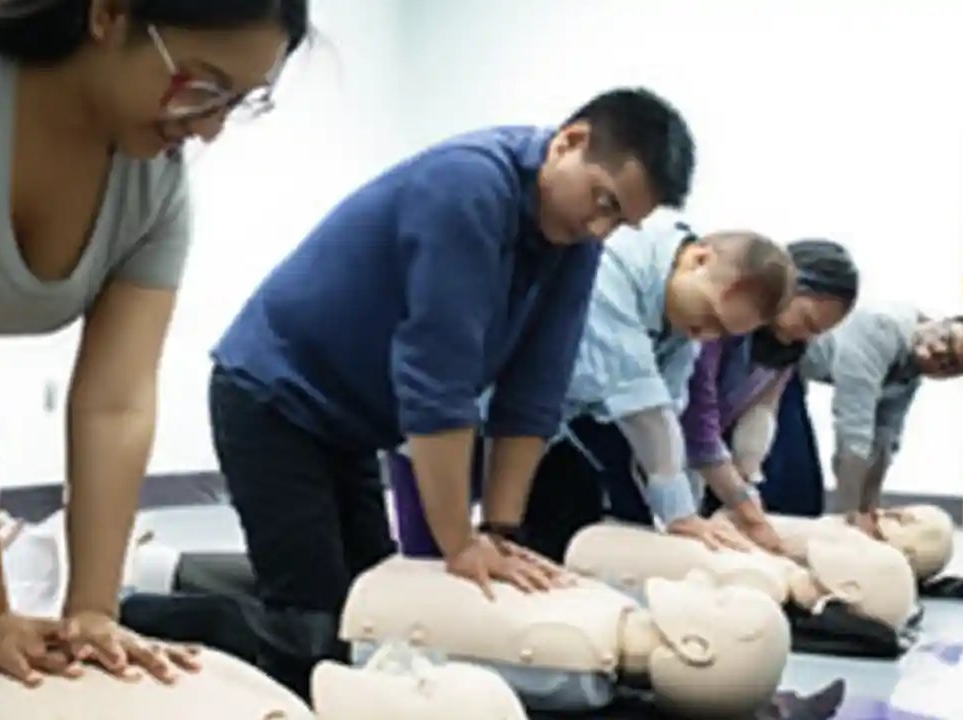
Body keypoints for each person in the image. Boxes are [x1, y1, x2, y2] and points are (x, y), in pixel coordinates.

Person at [0, 0, 307, 715]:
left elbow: (115, 402)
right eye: (201, 85)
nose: (210, 127)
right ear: (108, 15)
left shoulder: (154, 181)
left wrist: (94, 610)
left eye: (240, 101)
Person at [207, 87, 696, 699]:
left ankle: (180, 595)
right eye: (603, 202)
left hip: (351, 420)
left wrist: (500, 530)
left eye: (619, 221)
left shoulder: (577, 240)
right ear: (568, 142)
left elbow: (533, 389)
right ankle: (154, 617)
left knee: (370, 598)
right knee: (311, 621)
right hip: (274, 394)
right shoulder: (468, 186)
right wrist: (458, 544)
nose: (600, 227)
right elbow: (439, 380)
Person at [518, 218, 796, 562]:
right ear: (698, 259)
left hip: (540, 428)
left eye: (721, 332)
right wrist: (681, 514)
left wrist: (698, 514)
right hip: (477, 407)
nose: (707, 334)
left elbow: (673, 419)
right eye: (710, 316)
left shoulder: (683, 332)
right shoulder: (616, 265)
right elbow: (646, 411)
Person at [682, 239, 859, 552]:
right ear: (787, 286)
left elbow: (763, 408)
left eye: (816, 332)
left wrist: (746, 478)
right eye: (805, 321)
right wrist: (749, 514)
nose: (804, 336)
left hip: (703, 449)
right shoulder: (721, 318)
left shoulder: (785, 347)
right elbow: (699, 421)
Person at [758, 305, 963, 531]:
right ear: (936, 321)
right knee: (792, 494)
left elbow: (884, 441)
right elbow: (853, 434)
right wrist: (850, 516)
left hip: (791, 371)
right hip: (768, 357)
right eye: (946, 339)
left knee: (802, 496)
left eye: (949, 363)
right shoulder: (880, 330)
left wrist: (870, 509)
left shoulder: (910, 373)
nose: (939, 352)